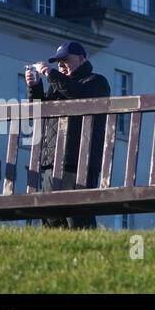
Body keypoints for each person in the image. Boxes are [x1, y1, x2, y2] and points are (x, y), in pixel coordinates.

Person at [24, 40, 111, 229]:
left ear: (81, 59)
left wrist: (50, 73)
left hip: (78, 161)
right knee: (50, 217)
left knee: (78, 217)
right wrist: (35, 86)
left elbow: (78, 96)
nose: (61, 65)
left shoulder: (96, 81)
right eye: (58, 62)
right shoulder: (58, 84)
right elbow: (39, 112)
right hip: (51, 160)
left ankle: (88, 254)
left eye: (65, 60)